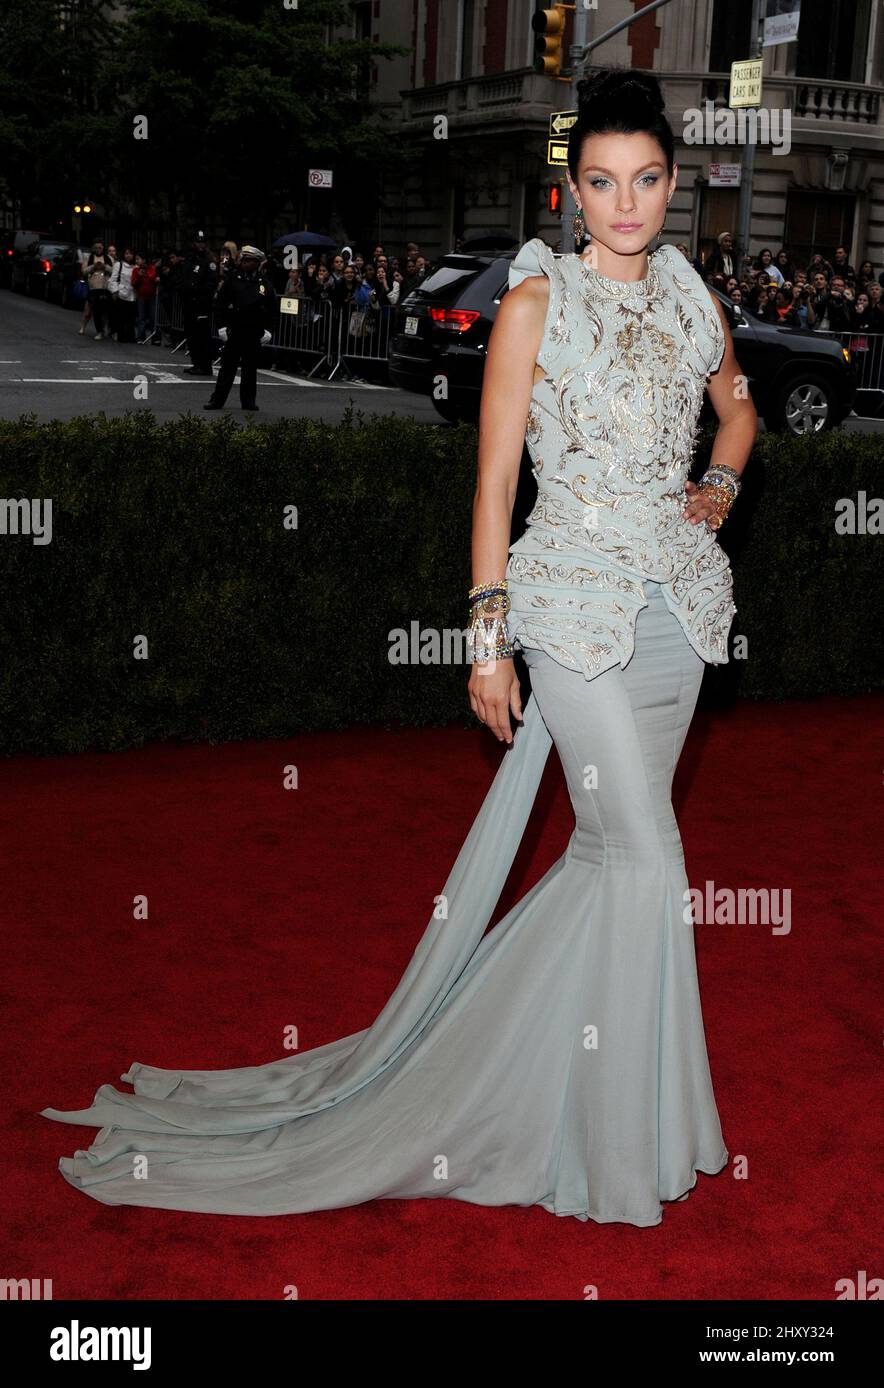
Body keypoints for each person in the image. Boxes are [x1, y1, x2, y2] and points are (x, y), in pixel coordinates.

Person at [41, 69, 755, 1229]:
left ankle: (575, 1095)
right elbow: (488, 483)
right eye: (600, 183)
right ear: (571, 191)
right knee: (648, 861)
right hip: (568, 609)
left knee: (609, 865)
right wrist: (486, 641)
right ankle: (617, 1146)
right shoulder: (535, 304)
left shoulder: (689, 295)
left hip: (675, 614)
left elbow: (738, 405)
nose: (624, 204)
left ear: (673, 186)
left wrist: (716, 484)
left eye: (646, 181)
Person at [203, 245, 276, 411]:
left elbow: (272, 308)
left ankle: (248, 401)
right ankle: (217, 400)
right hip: (235, 329)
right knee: (227, 368)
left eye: (248, 260)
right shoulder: (233, 278)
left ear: (257, 263)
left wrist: (269, 330)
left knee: (250, 370)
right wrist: (221, 326)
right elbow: (220, 303)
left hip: (254, 331)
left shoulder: (264, 283)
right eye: (243, 259)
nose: (244, 263)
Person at [180, 230, 218, 376]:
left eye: (202, 242)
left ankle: (205, 365)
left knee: (202, 336)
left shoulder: (209, 261)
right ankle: (196, 363)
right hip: (189, 303)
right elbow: (184, 277)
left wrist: (195, 289)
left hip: (201, 303)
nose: (200, 244)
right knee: (191, 335)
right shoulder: (190, 258)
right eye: (198, 242)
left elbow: (211, 283)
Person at [80, 240, 113, 339]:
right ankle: (98, 331)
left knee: (105, 311)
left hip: (105, 288)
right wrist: (93, 266)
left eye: (100, 248)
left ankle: (105, 330)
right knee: (93, 311)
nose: (98, 250)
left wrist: (105, 267)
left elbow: (114, 271)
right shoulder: (89, 257)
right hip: (93, 288)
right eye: (96, 248)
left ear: (103, 248)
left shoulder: (109, 258)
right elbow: (84, 271)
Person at [108, 247, 137, 342]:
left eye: (130, 253)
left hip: (132, 296)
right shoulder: (118, 265)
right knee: (120, 318)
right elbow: (113, 280)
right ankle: (120, 336)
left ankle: (130, 337)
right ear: (123, 255)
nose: (128, 255)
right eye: (126, 253)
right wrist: (115, 291)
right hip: (121, 295)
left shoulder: (136, 267)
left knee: (130, 319)